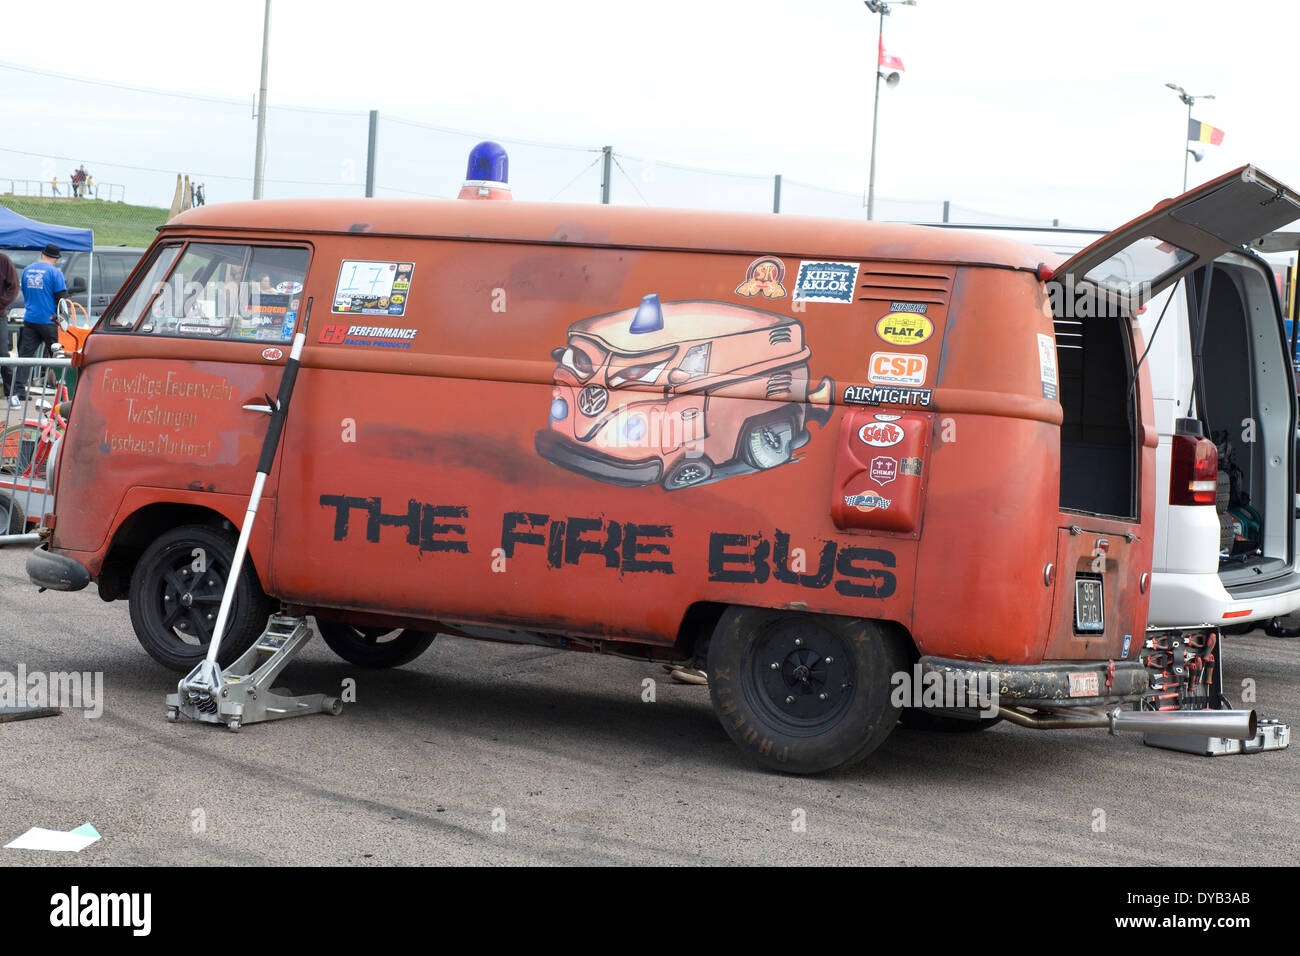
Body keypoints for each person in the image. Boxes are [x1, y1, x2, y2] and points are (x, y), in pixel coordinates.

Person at [12, 244, 67, 407]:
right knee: (59, 357)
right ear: (56, 259)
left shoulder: (27, 270)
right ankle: (63, 392)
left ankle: (18, 391)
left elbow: (25, 293)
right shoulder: (55, 272)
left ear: (42, 254)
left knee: (25, 357)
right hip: (50, 321)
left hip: (30, 319)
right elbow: (61, 298)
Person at [0, 252, 20, 401]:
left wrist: (1, 304)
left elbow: (14, 286)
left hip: (0, 316)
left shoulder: (3, 260)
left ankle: (11, 393)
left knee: (3, 354)